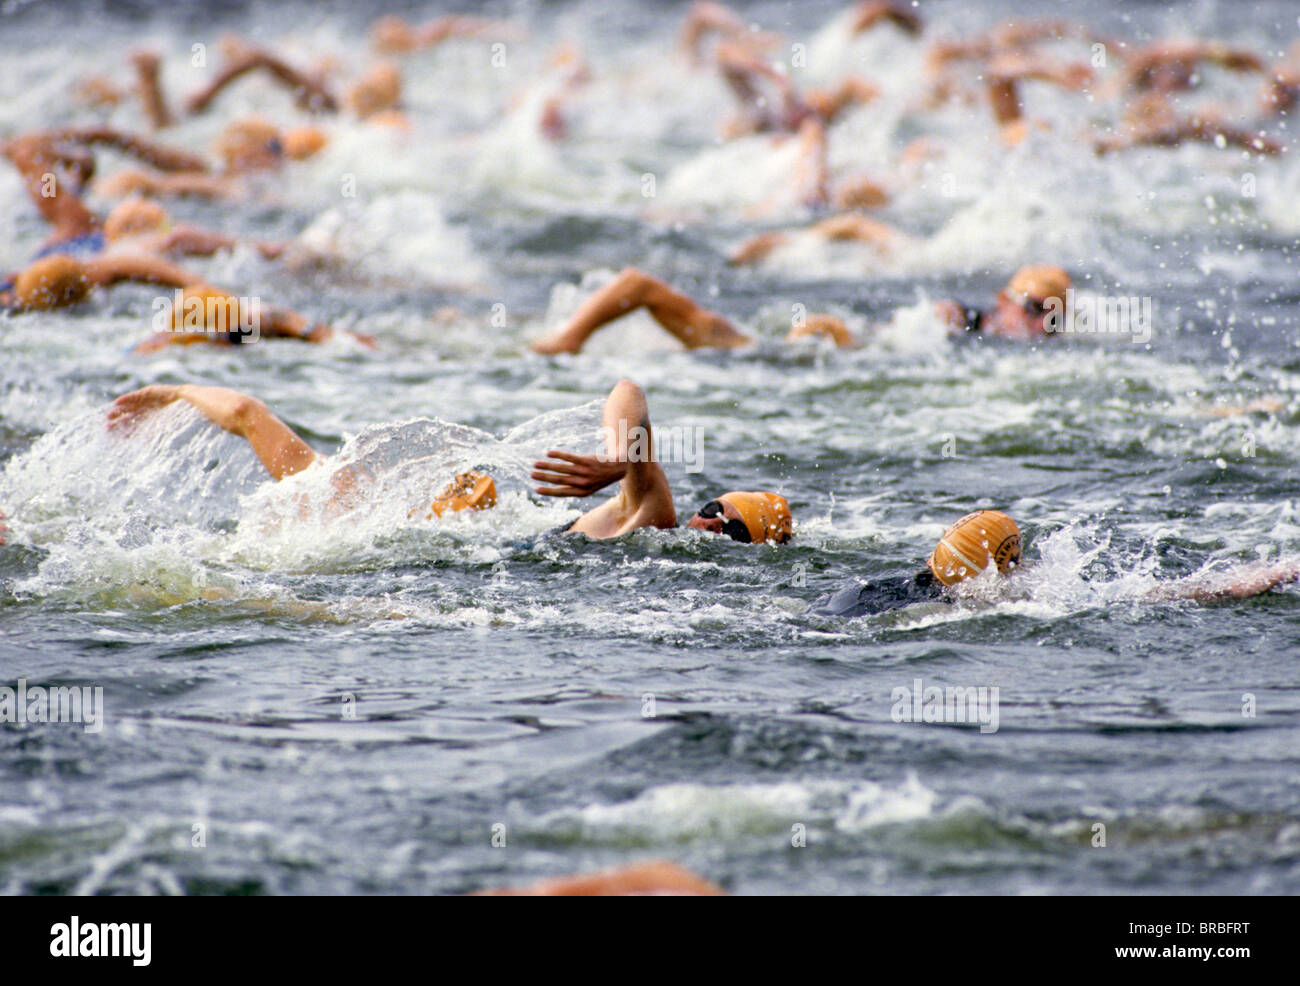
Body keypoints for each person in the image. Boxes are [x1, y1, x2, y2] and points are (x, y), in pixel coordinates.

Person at [105, 380, 793, 544]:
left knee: (316, 507)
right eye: (716, 510)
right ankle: (168, 393)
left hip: (451, 550)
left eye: (730, 531)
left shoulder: (666, 556)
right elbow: (630, 393)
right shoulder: (648, 517)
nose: (707, 526)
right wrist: (618, 458)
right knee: (273, 438)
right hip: (469, 534)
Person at [813, 510, 1300, 618]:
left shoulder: (872, 589)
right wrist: (1242, 583)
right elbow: (1137, 597)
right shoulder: (1012, 599)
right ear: (1005, 565)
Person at [527, 264, 1073, 354]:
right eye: (1031, 307)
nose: (1037, 323)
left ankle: (571, 338)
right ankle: (571, 338)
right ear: (1003, 301)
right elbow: (906, 333)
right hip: (805, 354)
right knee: (644, 287)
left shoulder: (1012, 351)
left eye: (1051, 316)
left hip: (804, 356)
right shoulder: (960, 318)